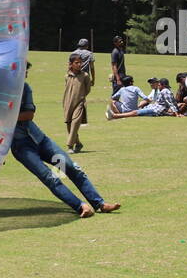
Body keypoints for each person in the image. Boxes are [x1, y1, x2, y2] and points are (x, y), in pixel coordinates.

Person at [11, 63, 118, 218]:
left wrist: (7, 116)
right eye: (23, 72)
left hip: (40, 141)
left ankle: (99, 203)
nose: (26, 75)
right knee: (50, 177)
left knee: (70, 167)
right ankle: (80, 206)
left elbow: (28, 114)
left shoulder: (25, 88)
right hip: (22, 148)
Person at [62, 53, 90, 153]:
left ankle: (69, 146)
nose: (79, 64)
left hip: (79, 103)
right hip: (67, 103)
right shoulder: (67, 76)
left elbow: (87, 89)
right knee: (69, 124)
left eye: (80, 62)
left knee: (75, 123)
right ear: (71, 64)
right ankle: (78, 143)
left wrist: (81, 98)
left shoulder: (85, 75)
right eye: (76, 63)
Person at [111, 77, 176, 118]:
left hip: (155, 108)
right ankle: (120, 115)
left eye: (153, 82)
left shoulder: (164, 91)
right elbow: (147, 99)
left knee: (136, 112)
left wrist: (176, 112)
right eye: (150, 83)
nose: (151, 84)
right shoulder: (154, 90)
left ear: (158, 83)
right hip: (154, 107)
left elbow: (170, 102)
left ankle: (117, 115)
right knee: (138, 109)